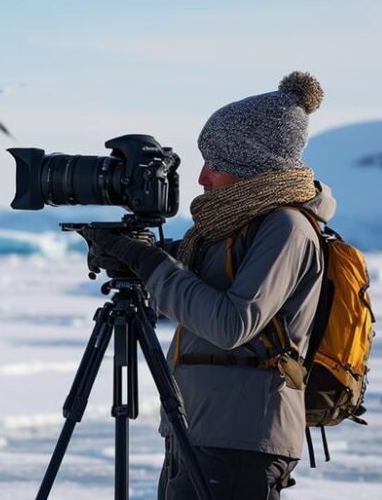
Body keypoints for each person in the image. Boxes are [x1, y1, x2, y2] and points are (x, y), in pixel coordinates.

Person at [83, 71, 336, 499]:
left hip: (241, 440)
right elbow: (194, 309)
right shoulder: (231, 229)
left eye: (216, 164)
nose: (202, 177)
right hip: (197, 430)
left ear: (253, 166)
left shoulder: (286, 228)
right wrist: (140, 263)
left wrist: (149, 263)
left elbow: (230, 323)